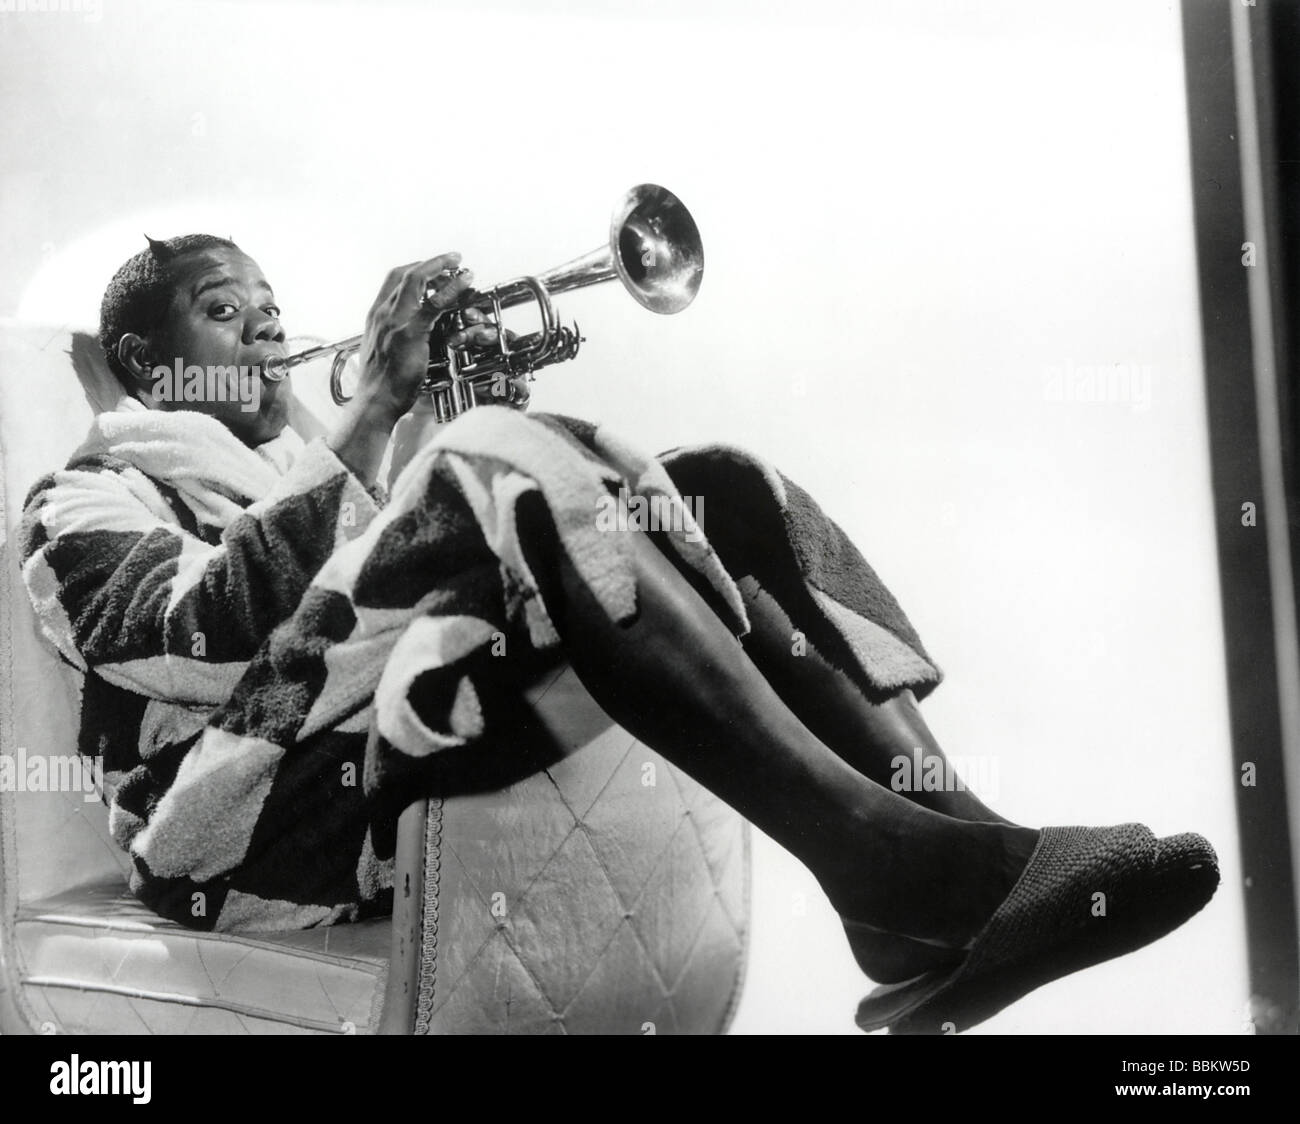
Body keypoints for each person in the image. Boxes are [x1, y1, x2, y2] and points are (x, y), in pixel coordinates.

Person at [19, 234, 1220, 1034]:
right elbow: (185, 633)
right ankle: (887, 861)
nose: (273, 338)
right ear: (142, 361)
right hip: (226, 839)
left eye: (274, 311)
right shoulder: (80, 497)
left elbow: (381, 609)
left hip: (373, 772)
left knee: (705, 486)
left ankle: (945, 856)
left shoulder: (308, 472)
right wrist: (391, 418)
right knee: (484, 462)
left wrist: (478, 451)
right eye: (229, 316)